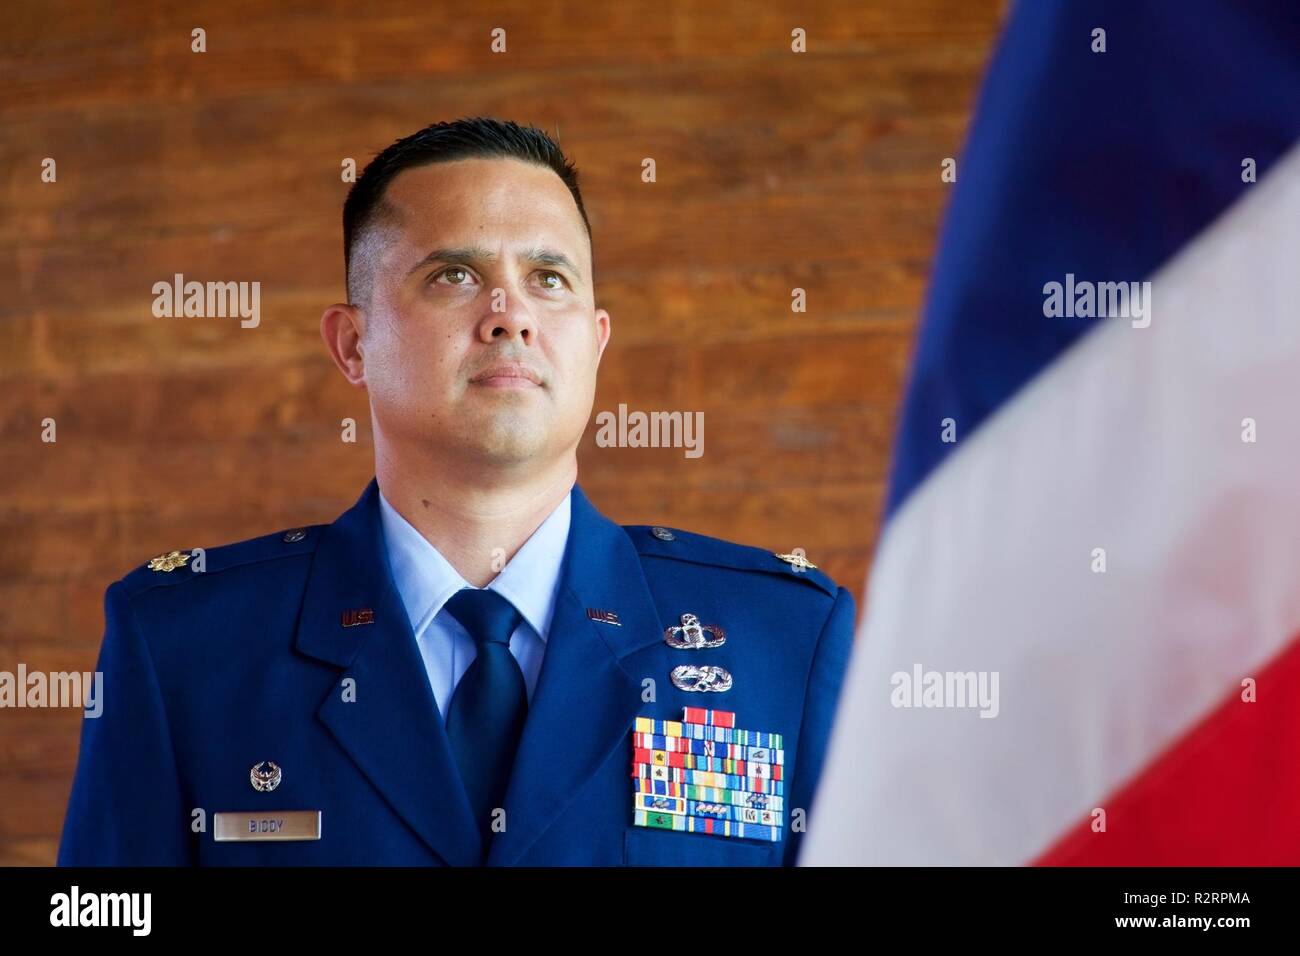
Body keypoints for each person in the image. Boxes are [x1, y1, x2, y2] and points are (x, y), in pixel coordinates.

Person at [57, 117, 856, 866]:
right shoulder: (182, 645)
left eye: (549, 277)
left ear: (596, 340)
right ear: (353, 342)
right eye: (455, 275)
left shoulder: (785, 641)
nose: (510, 316)